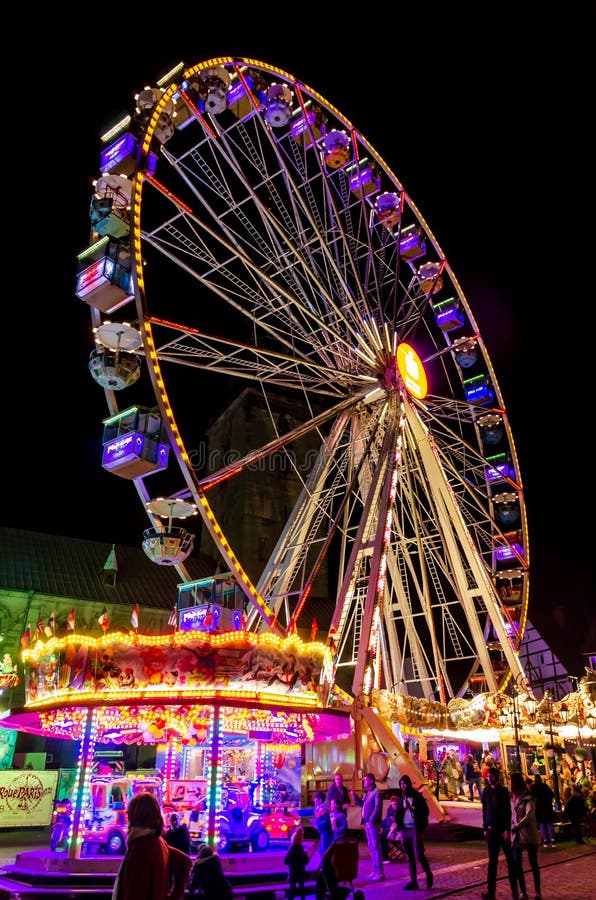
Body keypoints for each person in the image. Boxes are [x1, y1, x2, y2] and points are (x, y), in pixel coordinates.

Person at [113, 791, 192, 900]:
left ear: (135, 817)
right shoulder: (159, 842)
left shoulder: (140, 848)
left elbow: (133, 892)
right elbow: (185, 862)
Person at [481, 767, 518, 900]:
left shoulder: (503, 791)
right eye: (487, 776)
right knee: (492, 862)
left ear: (496, 777)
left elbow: (508, 812)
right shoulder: (486, 791)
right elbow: (484, 810)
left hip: (503, 831)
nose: (488, 778)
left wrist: (508, 829)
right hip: (491, 830)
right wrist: (485, 827)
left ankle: (514, 889)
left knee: (510, 861)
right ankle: (491, 892)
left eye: (490, 775)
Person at [394, 775, 433, 891]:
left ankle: (428, 874)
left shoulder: (416, 796)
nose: (403, 786)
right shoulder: (401, 798)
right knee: (410, 857)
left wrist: (413, 808)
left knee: (419, 854)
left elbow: (425, 811)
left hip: (415, 828)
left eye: (405, 784)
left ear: (409, 784)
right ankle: (413, 881)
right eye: (401, 785)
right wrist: (399, 826)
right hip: (405, 829)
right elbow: (398, 813)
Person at [510, 771, 541, 900]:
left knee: (533, 863)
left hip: (528, 833)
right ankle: (523, 891)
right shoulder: (513, 798)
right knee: (517, 865)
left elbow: (529, 816)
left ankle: (537, 892)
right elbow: (512, 815)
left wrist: (517, 826)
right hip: (517, 835)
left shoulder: (529, 797)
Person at [350, 772, 384, 882]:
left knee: (376, 846)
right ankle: (375, 870)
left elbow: (377, 807)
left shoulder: (376, 792)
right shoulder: (367, 792)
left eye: (366, 780)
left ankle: (380, 873)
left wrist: (371, 819)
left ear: (371, 781)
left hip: (373, 823)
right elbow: (362, 804)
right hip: (367, 823)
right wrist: (353, 796)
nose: (364, 782)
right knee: (371, 847)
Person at [284, 826, 310, 900]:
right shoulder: (302, 851)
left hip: (292, 874)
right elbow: (306, 861)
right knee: (302, 889)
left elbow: (286, 861)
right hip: (301, 873)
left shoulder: (291, 851)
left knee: (292, 890)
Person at [531, 774, 556, 848]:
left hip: (539, 808)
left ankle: (545, 841)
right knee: (549, 823)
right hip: (547, 807)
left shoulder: (534, 787)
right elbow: (552, 794)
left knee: (542, 824)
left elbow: (532, 796)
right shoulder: (545, 786)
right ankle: (552, 840)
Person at [312, 791, 333, 857]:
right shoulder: (318, 808)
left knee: (324, 850)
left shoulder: (324, 809)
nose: (314, 800)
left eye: (315, 798)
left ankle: (325, 866)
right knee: (321, 849)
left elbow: (327, 822)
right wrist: (296, 812)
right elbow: (308, 811)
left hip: (326, 832)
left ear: (320, 800)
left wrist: (317, 824)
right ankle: (324, 865)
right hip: (323, 832)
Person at [380, 794, 400, 861]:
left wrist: (395, 821)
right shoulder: (390, 809)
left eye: (395, 804)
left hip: (396, 830)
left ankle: (385, 856)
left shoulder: (400, 811)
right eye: (393, 804)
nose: (394, 806)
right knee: (378, 834)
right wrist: (381, 826)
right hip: (388, 828)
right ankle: (385, 851)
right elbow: (386, 819)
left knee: (382, 837)